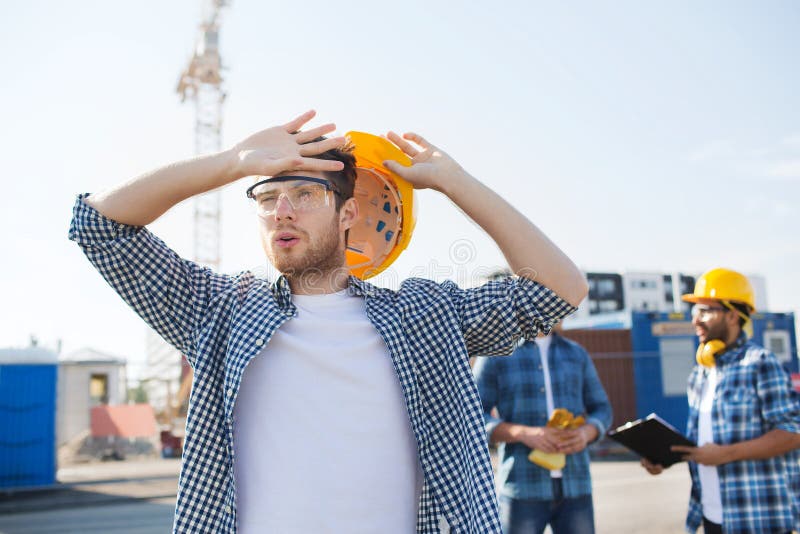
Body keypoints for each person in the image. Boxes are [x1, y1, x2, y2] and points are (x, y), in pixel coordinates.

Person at [68, 110, 588, 533]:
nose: (282, 211)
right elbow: (97, 226)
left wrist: (454, 182)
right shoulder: (219, 312)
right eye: (268, 197)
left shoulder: (423, 316)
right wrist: (231, 162)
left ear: (347, 217)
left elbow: (561, 290)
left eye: (306, 195)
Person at [640, 268, 800, 534]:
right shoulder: (699, 375)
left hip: (757, 519)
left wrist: (726, 454)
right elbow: (705, 445)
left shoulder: (760, 363)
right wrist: (664, 458)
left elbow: (793, 432)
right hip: (711, 517)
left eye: (705, 311)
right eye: (694, 311)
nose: (695, 320)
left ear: (732, 315)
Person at [473, 327, 612, 534]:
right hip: (522, 486)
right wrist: (522, 433)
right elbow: (471, 417)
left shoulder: (577, 354)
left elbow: (602, 409)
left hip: (576, 484)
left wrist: (586, 433)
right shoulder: (495, 354)